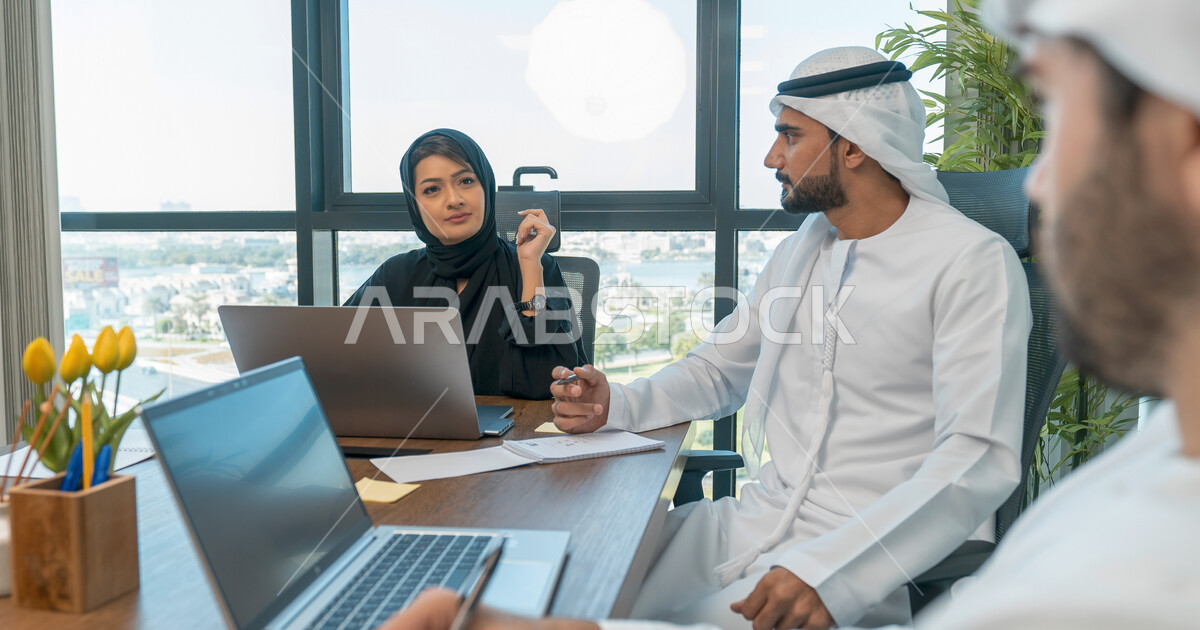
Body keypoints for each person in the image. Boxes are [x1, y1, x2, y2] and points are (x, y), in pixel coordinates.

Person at [385, 0, 1200, 628]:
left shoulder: (969, 263)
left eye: (788, 135)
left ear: (852, 142)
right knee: (565, 573)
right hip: (750, 522)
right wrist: (616, 403)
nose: (771, 156)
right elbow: (720, 369)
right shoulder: (805, 247)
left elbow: (975, 461)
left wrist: (834, 573)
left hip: (848, 554)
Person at [344, 129, 585, 400]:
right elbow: (333, 355)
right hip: (419, 426)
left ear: (486, 187)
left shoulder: (537, 268)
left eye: (466, 181)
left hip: (516, 427)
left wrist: (530, 267)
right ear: (415, 205)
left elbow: (550, 385)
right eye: (432, 189)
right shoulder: (395, 275)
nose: (454, 200)